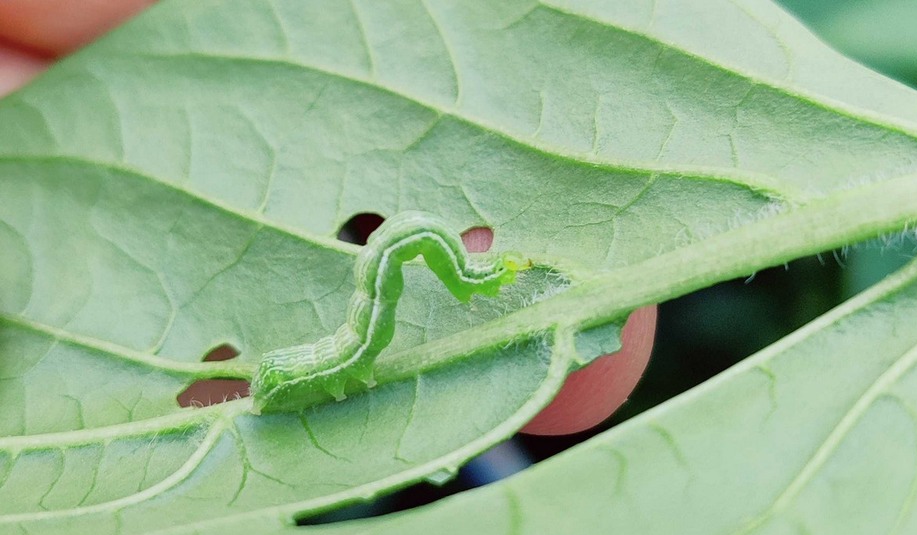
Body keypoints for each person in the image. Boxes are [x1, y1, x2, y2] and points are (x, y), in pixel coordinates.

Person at [0, 0, 657, 435]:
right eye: (476, 277)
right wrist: (478, 282)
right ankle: (292, 376)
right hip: (299, 368)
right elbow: (456, 282)